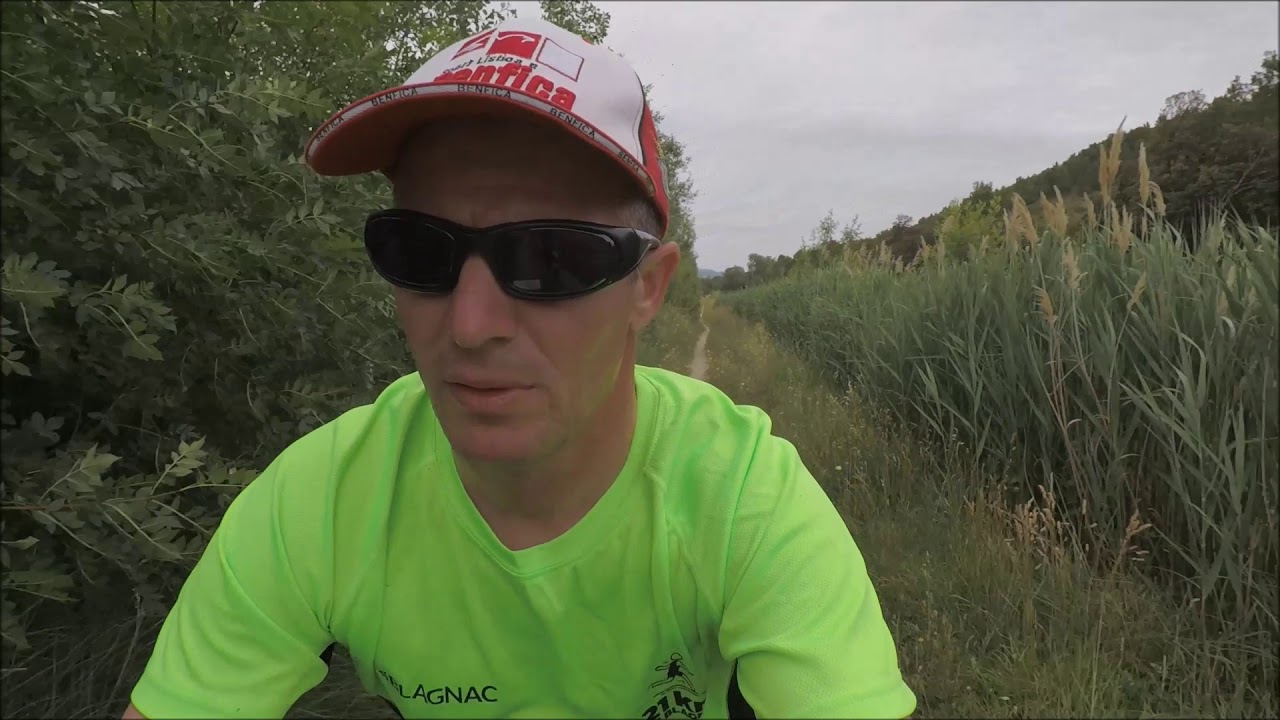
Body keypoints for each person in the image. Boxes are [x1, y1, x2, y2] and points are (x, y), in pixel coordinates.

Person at [123, 16, 916, 720]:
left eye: (549, 258)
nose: (469, 327)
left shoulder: (744, 499)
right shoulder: (322, 499)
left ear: (647, 288)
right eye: (419, 252)